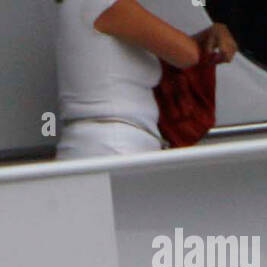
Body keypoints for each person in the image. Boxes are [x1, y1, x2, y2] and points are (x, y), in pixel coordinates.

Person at [55, 0, 237, 159]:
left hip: (104, 144)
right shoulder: (107, 3)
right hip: (114, 145)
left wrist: (205, 38)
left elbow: (168, 49)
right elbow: (187, 55)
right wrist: (215, 31)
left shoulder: (80, 5)